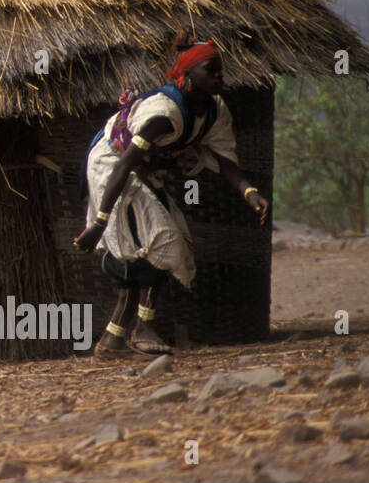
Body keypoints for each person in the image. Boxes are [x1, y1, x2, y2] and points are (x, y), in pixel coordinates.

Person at [74, 33, 270, 357]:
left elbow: (225, 162)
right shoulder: (162, 115)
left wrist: (249, 193)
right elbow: (123, 165)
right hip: (112, 166)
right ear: (188, 75)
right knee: (157, 242)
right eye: (211, 70)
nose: (220, 76)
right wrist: (98, 223)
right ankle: (142, 330)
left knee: (169, 238)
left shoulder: (214, 111)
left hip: (143, 169)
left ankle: (114, 340)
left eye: (220, 69)